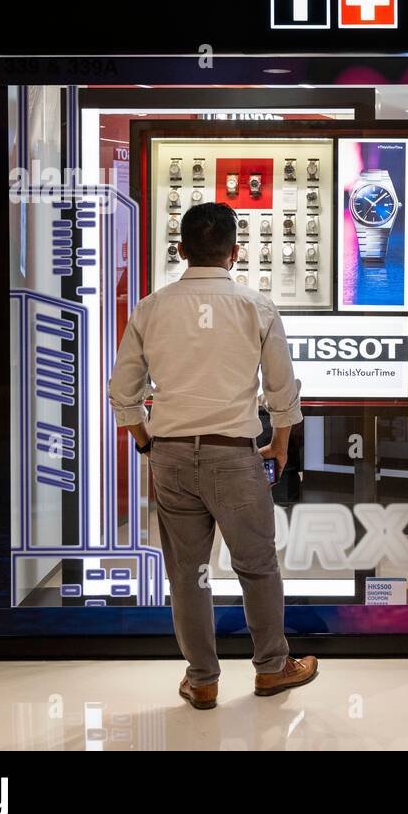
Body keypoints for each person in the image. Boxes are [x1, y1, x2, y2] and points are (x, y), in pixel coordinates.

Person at [108, 202, 318, 710]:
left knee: (188, 574)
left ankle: (202, 678)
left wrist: (146, 444)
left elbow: (122, 392)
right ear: (236, 252)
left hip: (172, 457)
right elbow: (282, 390)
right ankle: (271, 669)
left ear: (180, 250)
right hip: (235, 454)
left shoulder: (151, 307)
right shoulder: (256, 306)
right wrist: (281, 444)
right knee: (258, 566)